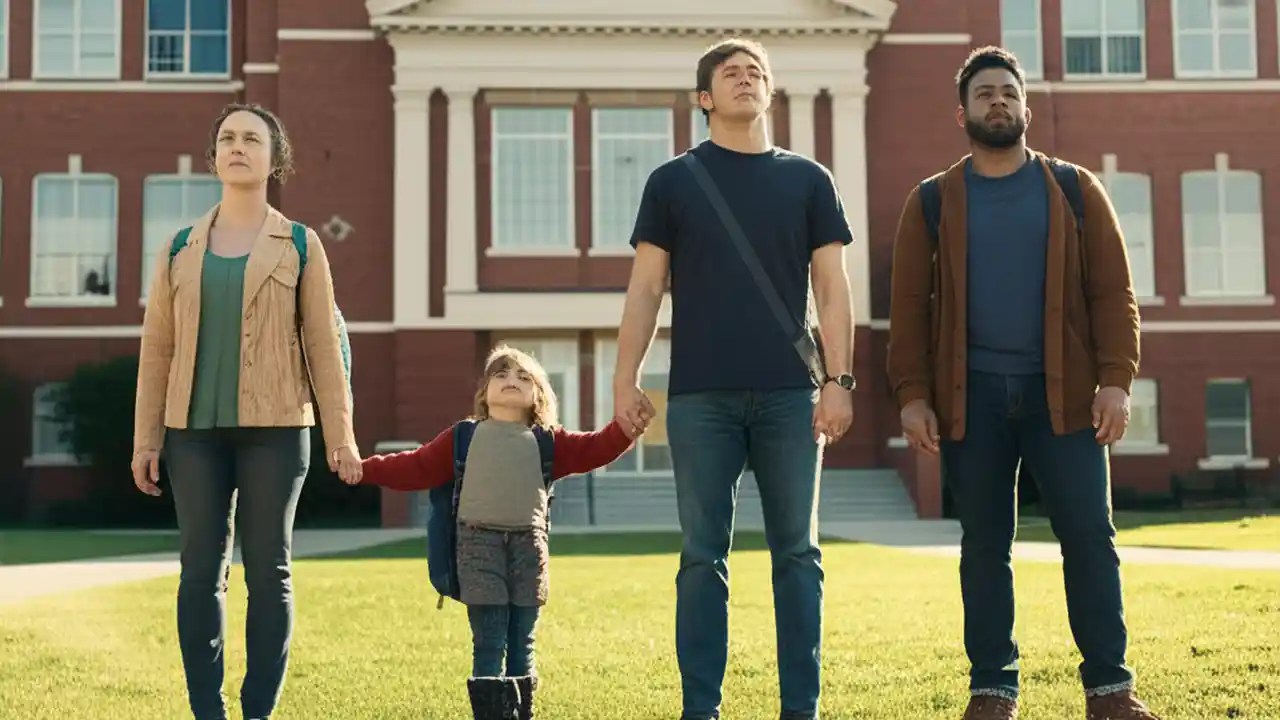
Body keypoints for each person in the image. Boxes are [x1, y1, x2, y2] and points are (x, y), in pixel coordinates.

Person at [886, 47, 1159, 720]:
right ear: (962, 113)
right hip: (970, 398)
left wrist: (1117, 382)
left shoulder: (1073, 189)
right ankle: (993, 690)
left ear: (1027, 108)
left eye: (1009, 91)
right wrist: (913, 395)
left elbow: (1113, 294)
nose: (998, 101)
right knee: (984, 546)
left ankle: (1110, 691)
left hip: (1062, 394)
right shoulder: (929, 202)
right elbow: (908, 307)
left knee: (1089, 538)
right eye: (985, 94)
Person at [614, 37, 856, 720]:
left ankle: (799, 709)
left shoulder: (811, 180)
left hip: (789, 395)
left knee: (798, 557)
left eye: (757, 72)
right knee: (701, 558)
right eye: (731, 73)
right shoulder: (672, 181)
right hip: (700, 400)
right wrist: (623, 380)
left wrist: (840, 381)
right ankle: (701, 710)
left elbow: (833, 291)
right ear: (704, 98)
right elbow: (645, 290)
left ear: (769, 93)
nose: (746, 79)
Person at [131, 102, 361, 720]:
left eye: (252, 139)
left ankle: (258, 710)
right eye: (227, 138)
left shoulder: (303, 245)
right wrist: (146, 439)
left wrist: (341, 435)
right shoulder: (179, 247)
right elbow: (158, 347)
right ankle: (207, 709)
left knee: (270, 571)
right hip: (191, 434)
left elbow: (322, 342)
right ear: (213, 158)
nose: (238, 147)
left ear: (272, 159)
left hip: (279, 430)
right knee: (199, 571)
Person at [353, 344, 636, 720]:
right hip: (477, 549)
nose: (510, 381)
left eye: (522, 376)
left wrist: (627, 428)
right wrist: (363, 469)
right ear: (484, 391)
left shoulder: (548, 441)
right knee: (488, 641)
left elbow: (597, 447)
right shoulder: (464, 438)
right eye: (500, 374)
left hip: (529, 550)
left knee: (523, 642)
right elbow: (415, 466)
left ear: (538, 393)